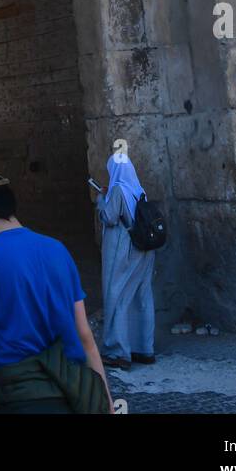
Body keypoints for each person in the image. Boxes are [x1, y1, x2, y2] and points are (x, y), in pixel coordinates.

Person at [0, 170, 114, 414]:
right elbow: (85, 336)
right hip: (71, 398)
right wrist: (106, 402)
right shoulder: (59, 251)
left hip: (21, 399)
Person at [97, 146, 155, 371]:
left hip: (124, 250)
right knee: (141, 295)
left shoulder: (119, 190)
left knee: (117, 295)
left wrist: (101, 198)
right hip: (144, 249)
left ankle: (118, 352)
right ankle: (144, 348)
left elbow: (108, 217)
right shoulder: (139, 189)